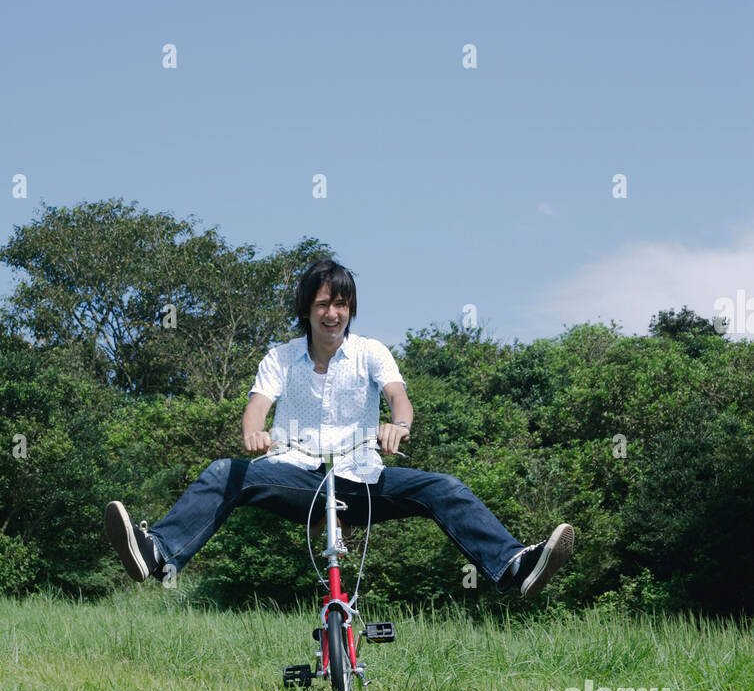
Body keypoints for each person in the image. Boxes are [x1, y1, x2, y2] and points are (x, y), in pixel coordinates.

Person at [105, 256, 574, 598]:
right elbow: (256, 407)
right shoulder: (280, 357)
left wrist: (399, 425)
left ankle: (513, 566)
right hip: (298, 477)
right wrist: (253, 431)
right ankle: (158, 553)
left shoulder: (371, 352)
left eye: (343, 304)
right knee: (223, 474)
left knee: (445, 488)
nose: (334, 313)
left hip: (363, 478)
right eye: (325, 304)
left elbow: (398, 398)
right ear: (307, 309)